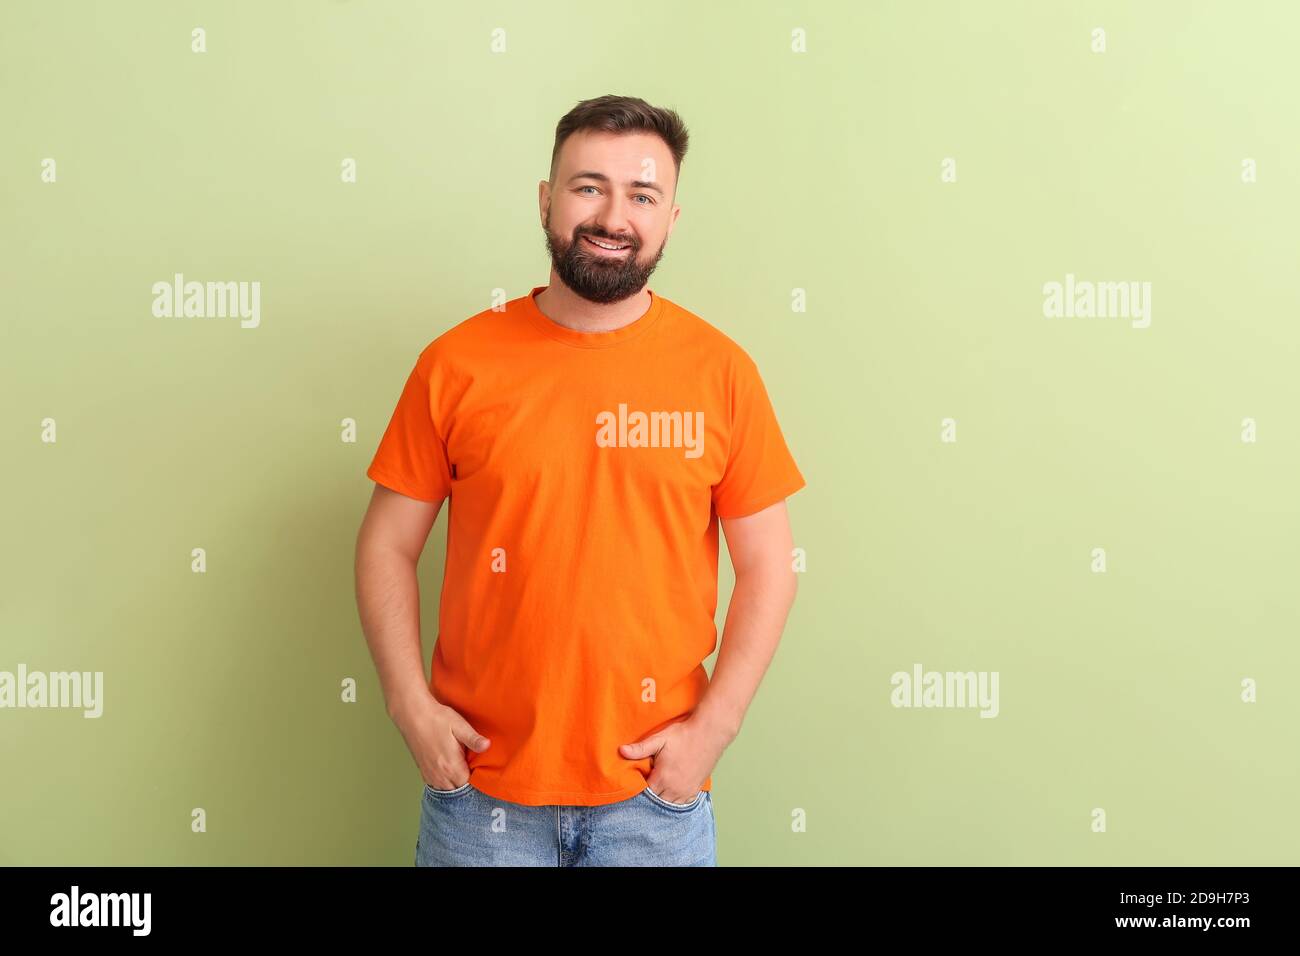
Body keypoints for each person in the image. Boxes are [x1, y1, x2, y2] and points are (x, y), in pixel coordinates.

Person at [354, 94, 806, 866]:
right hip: (479, 802)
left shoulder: (722, 374)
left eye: (642, 195)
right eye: (588, 186)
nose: (613, 215)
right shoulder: (456, 364)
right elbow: (385, 546)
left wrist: (714, 730)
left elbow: (771, 564)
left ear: (670, 219)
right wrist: (409, 707)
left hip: (653, 806)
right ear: (546, 200)